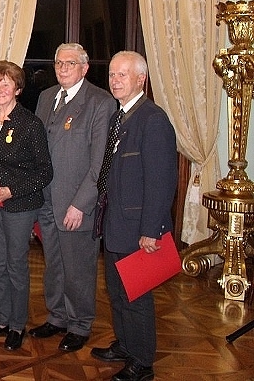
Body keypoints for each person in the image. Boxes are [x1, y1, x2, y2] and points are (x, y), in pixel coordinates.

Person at [90, 51, 177, 381]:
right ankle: (126, 345)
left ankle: (142, 362)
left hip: (139, 228)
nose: (114, 80)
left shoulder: (152, 120)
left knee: (136, 295)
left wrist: (151, 229)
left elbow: (161, 180)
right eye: (112, 74)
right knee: (116, 292)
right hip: (115, 223)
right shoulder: (119, 117)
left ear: (141, 79)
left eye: (122, 74)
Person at [30, 43, 116, 352]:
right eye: (59, 63)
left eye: (70, 63)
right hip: (46, 200)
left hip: (77, 203)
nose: (63, 68)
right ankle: (57, 317)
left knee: (78, 268)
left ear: (84, 68)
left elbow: (100, 163)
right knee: (54, 264)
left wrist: (81, 204)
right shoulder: (46, 97)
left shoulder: (100, 102)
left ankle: (80, 324)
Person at [0, 61, 52, 352]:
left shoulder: (31, 124)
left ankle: (18, 325)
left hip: (20, 204)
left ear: (17, 89)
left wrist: (11, 190)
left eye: (5, 83)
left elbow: (45, 172)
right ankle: (2, 320)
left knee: (16, 264)